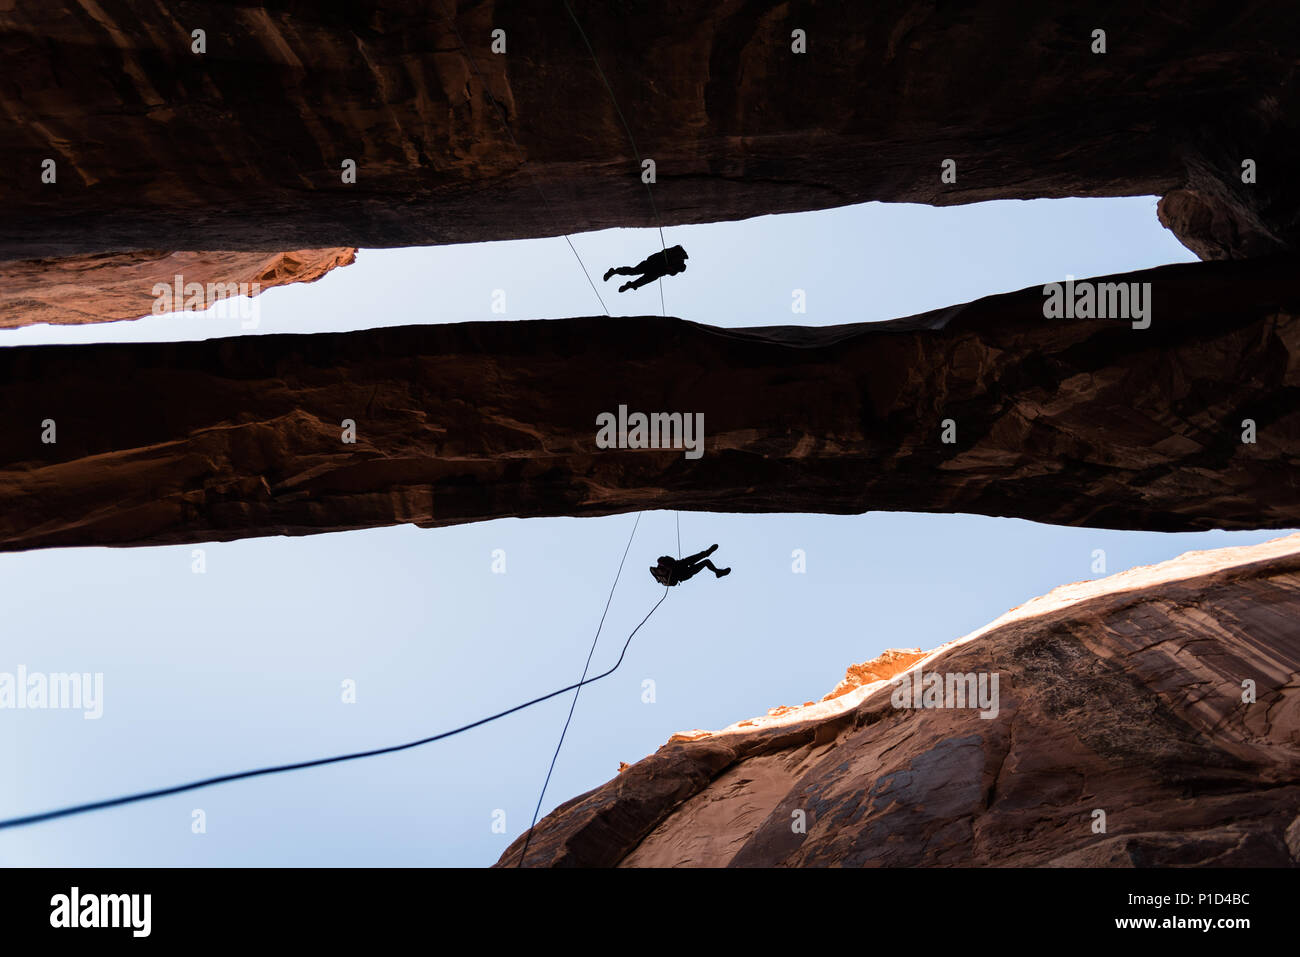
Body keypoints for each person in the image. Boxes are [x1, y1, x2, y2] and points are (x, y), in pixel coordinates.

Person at [603, 245, 688, 292]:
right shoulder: (675, 252)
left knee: (640, 280)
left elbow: (672, 273)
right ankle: (614, 272)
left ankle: (630, 285)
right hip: (651, 264)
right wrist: (668, 263)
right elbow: (663, 252)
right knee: (633, 271)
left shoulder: (678, 265)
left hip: (655, 273)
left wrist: (670, 268)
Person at [649, 544, 730, 586]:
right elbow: (666, 563)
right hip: (683, 573)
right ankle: (707, 555)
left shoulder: (660, 569)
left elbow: (667, 562)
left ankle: (716, 569)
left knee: (704, 560)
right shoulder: (662, 575)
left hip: (681, 566)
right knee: (705, 562)